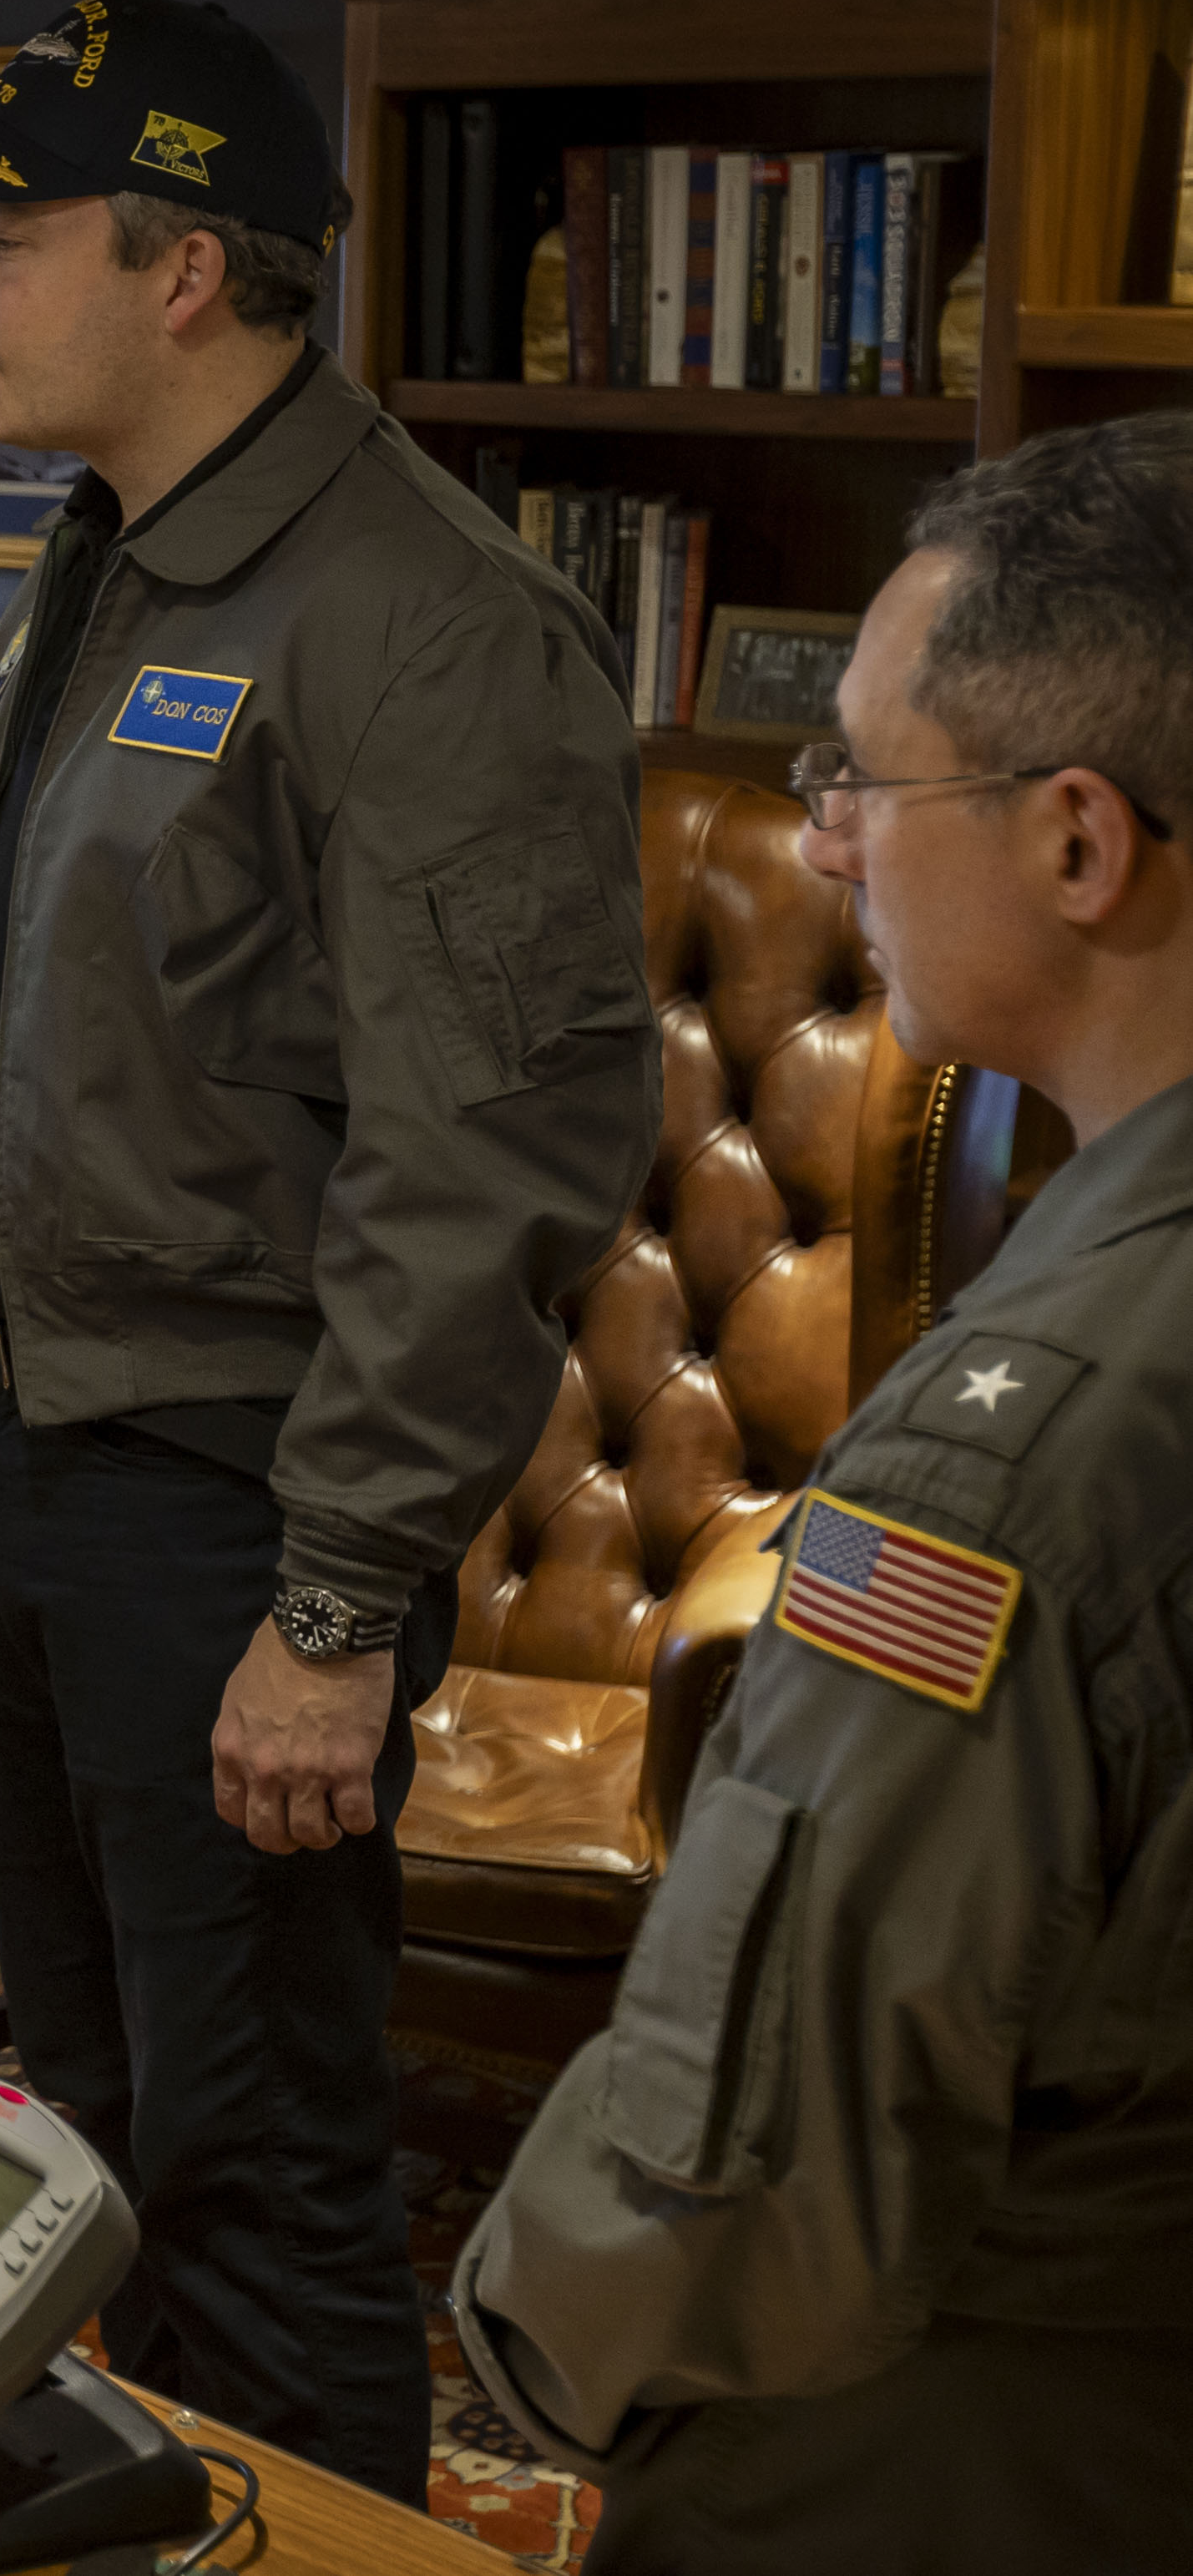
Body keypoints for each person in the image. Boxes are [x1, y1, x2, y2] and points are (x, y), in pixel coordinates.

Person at [0, 0, 655, 2495]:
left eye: (1, 229)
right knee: (74, 2121)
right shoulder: (94, 563)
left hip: (236, 1511)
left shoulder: (419, 617)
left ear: (187, 266)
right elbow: (66, 1039)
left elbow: (486, 1154)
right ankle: (126, 2521)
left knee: (257, 2154)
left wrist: (334, 1606)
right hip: (57, 1456)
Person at [459, 416, 1193, 2569]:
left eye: (863, 778)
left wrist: (527, 2336)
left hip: (967, 2446)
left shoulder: (1012, 1444)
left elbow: (763, 2146)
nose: (824, 843)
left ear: (1074, 840)